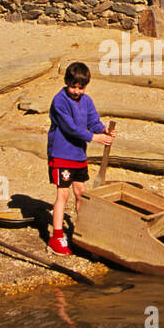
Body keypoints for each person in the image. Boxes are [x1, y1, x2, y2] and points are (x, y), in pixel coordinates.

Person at [46, 61, 115, 256]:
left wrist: (103, 130)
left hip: (78, 156)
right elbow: (70, 128)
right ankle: (56, 237)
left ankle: (84, 232)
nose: (76, 91)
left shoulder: (86, 101)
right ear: (67, 82)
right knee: (63, 195)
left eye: (81, 87)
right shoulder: (59, 101)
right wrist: (95, 137)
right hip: (62, 156)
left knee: (81, 193)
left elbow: (92, 121)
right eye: (73, 86)